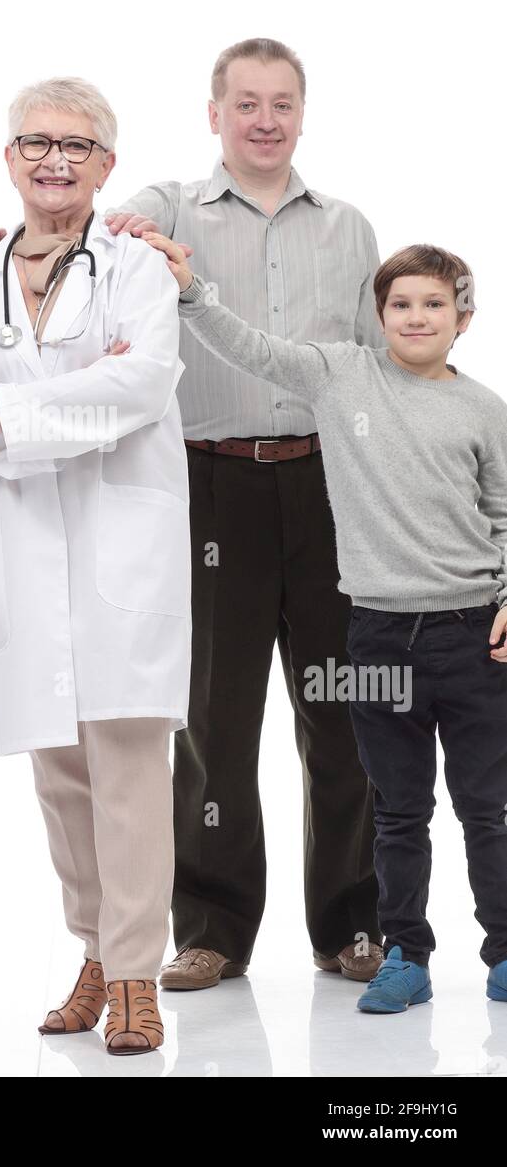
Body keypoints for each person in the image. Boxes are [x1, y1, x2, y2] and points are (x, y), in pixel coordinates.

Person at [146, 226, 507, 1013]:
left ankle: (502, 951)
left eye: (433, 305)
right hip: (378, 633)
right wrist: (187, 290)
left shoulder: (484, 409)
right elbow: (250, 348)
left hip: (473, 635)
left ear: (462, 318)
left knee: (487, 805)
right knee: (398, 810)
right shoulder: (341, 376)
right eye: (400, 304)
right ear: (376, 315)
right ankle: (403, 951)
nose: (416, 317)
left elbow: (503, 512)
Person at [0, 77, 190, 1054]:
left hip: (124, 553)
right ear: (10, 157)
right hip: (20, 554)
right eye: (37, 141)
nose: (56, 159)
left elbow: (142, 385)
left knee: (127, 771)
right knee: (60, 777)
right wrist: (63, 406)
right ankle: (94, 953)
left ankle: (134, 973)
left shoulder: (136, 270)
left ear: (106, 165)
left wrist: (12, 413)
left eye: (78, 145)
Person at [105, 37, 383, 989]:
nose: (264, 120)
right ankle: (213, 927)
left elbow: (374, 367)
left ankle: (352, 923)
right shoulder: (168, 208)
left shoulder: (347, 227)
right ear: (213, 113)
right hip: (209, 482)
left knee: (342, 711)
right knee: (213, 719)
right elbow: (100, 233)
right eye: (246, 103)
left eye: (281, 104)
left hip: (327, 486)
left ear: (302, 114)